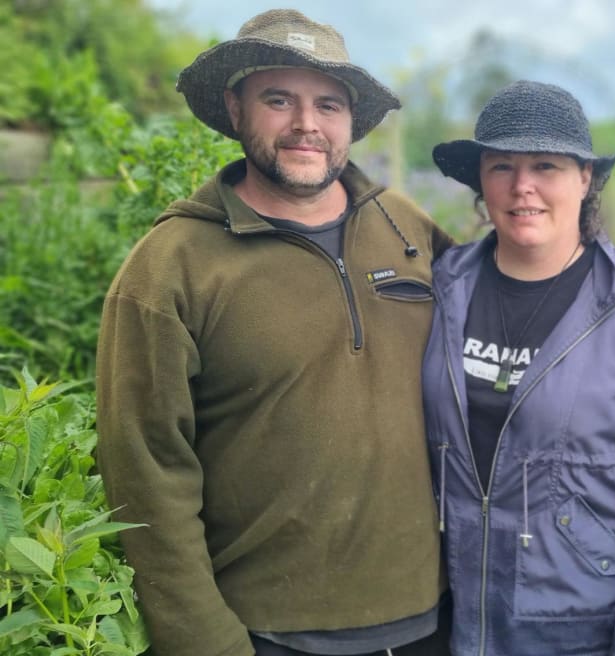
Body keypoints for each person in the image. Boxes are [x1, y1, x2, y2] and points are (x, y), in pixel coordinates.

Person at [95, 9, 453, 656]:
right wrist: (207, 643)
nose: (306, 125)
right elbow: (144, 471)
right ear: (236, 108)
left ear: (352, 122)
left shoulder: (408, 229)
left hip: (429, 618)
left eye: (329, 104)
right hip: (267, 633)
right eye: (278, 99)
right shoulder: (171, 266)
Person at [422, 80, 615, 655]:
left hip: (574, 630)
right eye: (502, 165)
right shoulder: (443, 286)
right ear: (480, 180)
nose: (522, 186)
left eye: (546, 165)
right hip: (448, 618)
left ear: (586, 178)